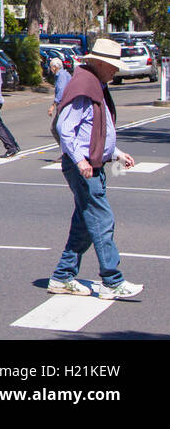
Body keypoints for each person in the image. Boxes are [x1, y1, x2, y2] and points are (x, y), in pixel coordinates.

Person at [46, 39, 142, 300]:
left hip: (91, 163)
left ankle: (62, 277)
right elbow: (66, 129)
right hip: (84, 166)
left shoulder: (95, 85)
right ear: (99, 63)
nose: (115, 71)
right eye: (112, 66)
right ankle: (112, 280)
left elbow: (97, 131)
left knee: (85, 223)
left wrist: (117, 153)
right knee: (102, 219)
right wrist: (81, 161)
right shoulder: (85, 87)